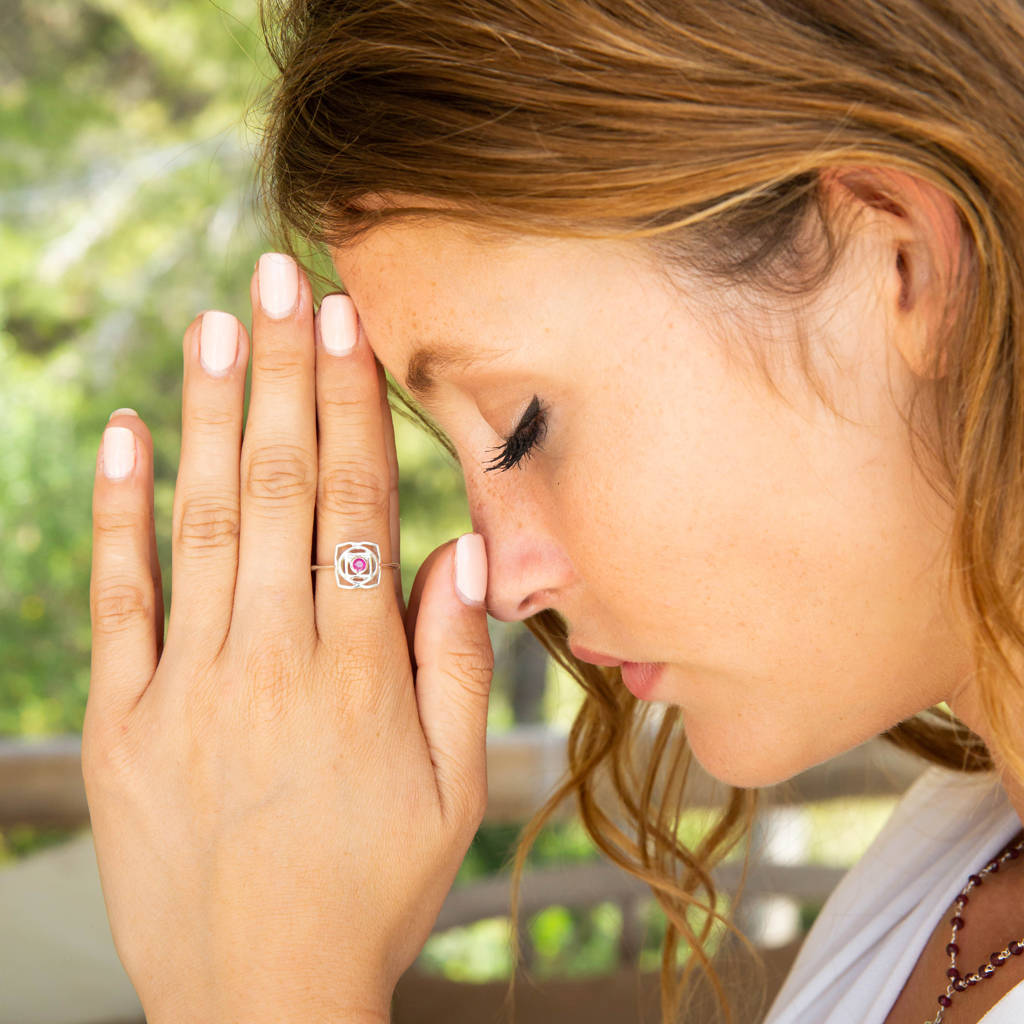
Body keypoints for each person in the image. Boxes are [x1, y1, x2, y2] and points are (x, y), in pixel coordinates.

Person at [82, 1, 1024, 1022]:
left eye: (522, 425)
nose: (504, 578)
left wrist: (268, 990)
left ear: (906, 265)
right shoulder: (952, 870)